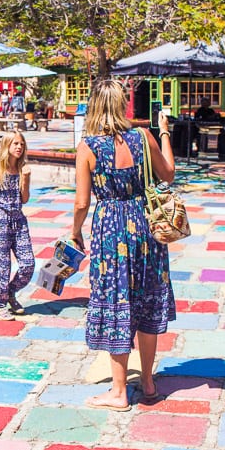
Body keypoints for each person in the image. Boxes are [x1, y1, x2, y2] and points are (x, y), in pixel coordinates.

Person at [71, 79, 177, 412]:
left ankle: (118, 392)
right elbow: (169, 174)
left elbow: (81, 202)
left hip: (110, 231)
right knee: (145, 300)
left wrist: (75, 232)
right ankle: (147, 382)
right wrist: (164, 131)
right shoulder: (143, 138)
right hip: (145, 227)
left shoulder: (88, 146)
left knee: (117, 300)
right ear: (121, 105)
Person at [0, 131, 35, 321]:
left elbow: (25, 199)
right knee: (2, 267)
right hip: (0, 222)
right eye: (15, 144)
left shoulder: (23, 170)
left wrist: (25, 179)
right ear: (7, 147)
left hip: (19, 221)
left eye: (21, 144)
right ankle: (0, 304)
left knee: (28, 264)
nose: (19, 147)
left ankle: (10, 292)